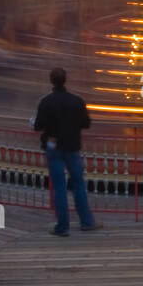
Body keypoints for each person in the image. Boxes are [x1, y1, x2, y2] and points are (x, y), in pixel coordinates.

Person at [33, 67, 101, 236]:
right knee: (78, 185)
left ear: (51, 81)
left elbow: (38, 126)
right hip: (72, 147)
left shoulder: (46, 102)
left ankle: (62, 227)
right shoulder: (77, 101)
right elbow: (86, 124)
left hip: (54, 148)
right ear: (65, 80)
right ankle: (87, 222)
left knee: (59, 188)